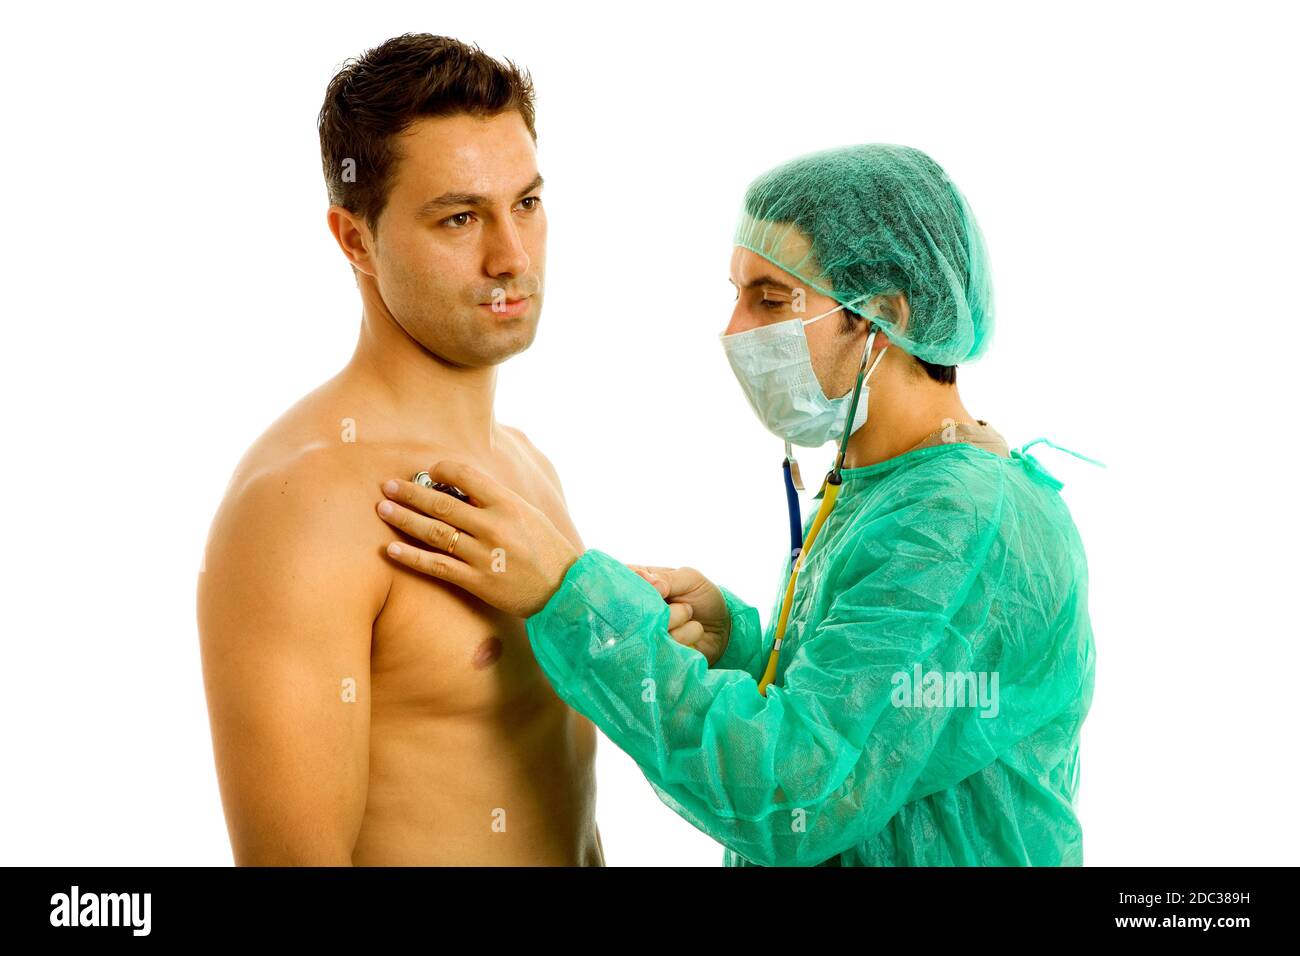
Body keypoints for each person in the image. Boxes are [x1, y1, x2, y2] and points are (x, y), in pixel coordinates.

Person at [373, 143, 1097, 866]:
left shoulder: (960, 522)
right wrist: (743, 650)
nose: (734, 330)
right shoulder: (894, 490)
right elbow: (876, 717)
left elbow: (793, 797)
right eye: (736, 293)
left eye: (772, 300)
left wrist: (570, 597)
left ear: (881, 315)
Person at [197, 34, 605, 865]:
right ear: (355, 240)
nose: (511, 257)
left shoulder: (528, 467)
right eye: (460, 217)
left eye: (525, 203)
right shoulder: (306, 504)